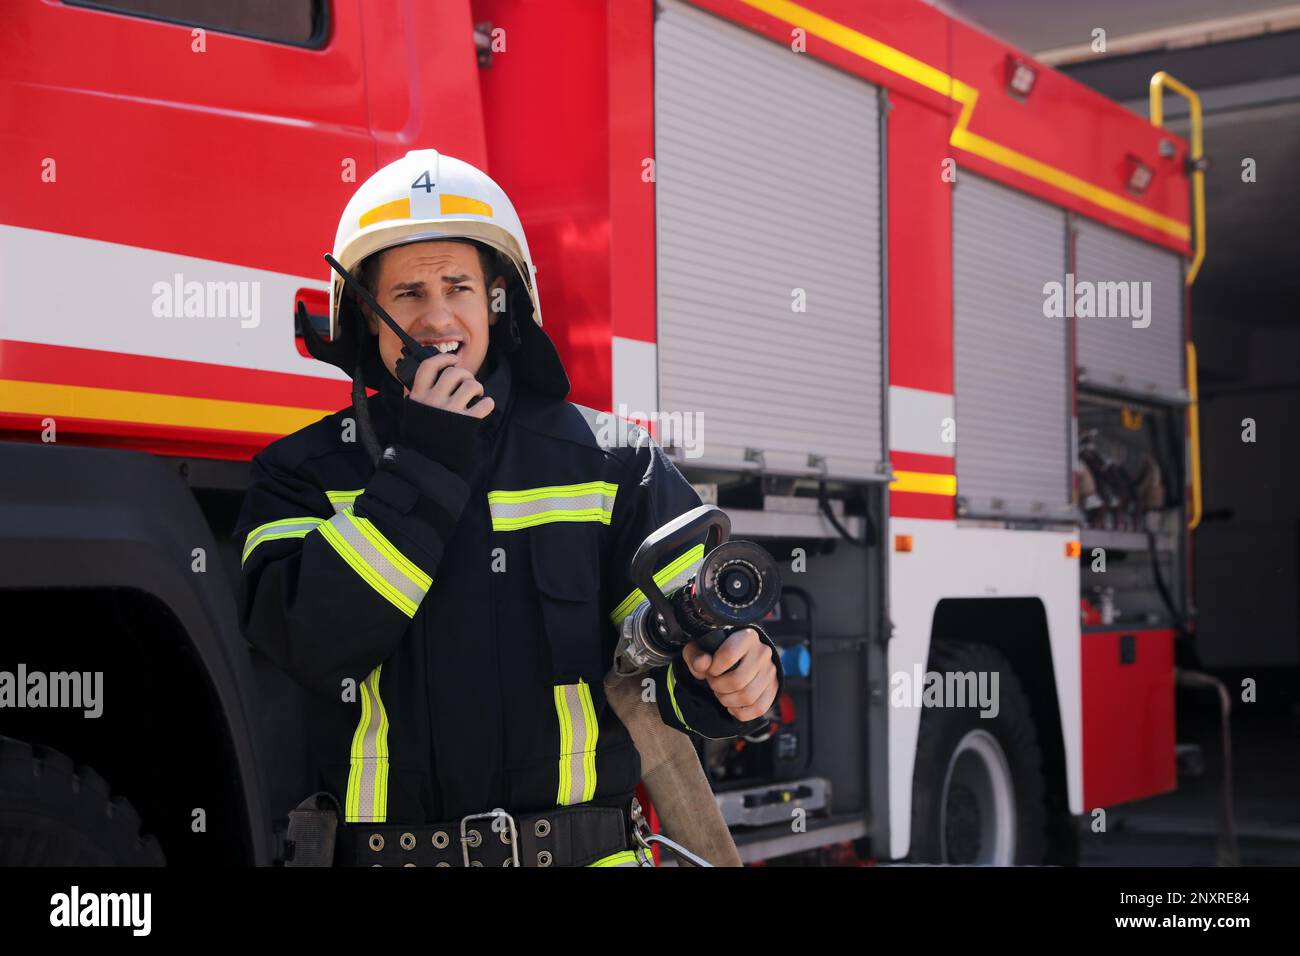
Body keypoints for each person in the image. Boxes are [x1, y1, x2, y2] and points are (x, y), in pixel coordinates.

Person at [233, 149, 783, 867]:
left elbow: (672, 660)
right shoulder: (300, 475)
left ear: (498, 298)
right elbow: (310, 646)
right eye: (407, 293)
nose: (437, 316)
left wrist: (734, 678)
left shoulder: (610, 462)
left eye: (458, 286)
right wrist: (425, 466)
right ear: (366, 313)